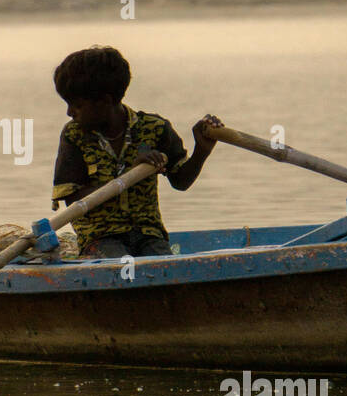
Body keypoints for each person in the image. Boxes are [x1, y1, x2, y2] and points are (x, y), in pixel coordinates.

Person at [51, 45, 222, 258]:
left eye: (76, 105)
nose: (69, 113)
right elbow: (74, 200)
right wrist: (127, 176)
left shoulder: (154, 128)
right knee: (118, 262)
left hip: (149, 235)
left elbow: (181, 181)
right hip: (100, 238)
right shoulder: (74, 135)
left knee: (162, 264)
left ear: (105, 101)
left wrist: (201, 152)